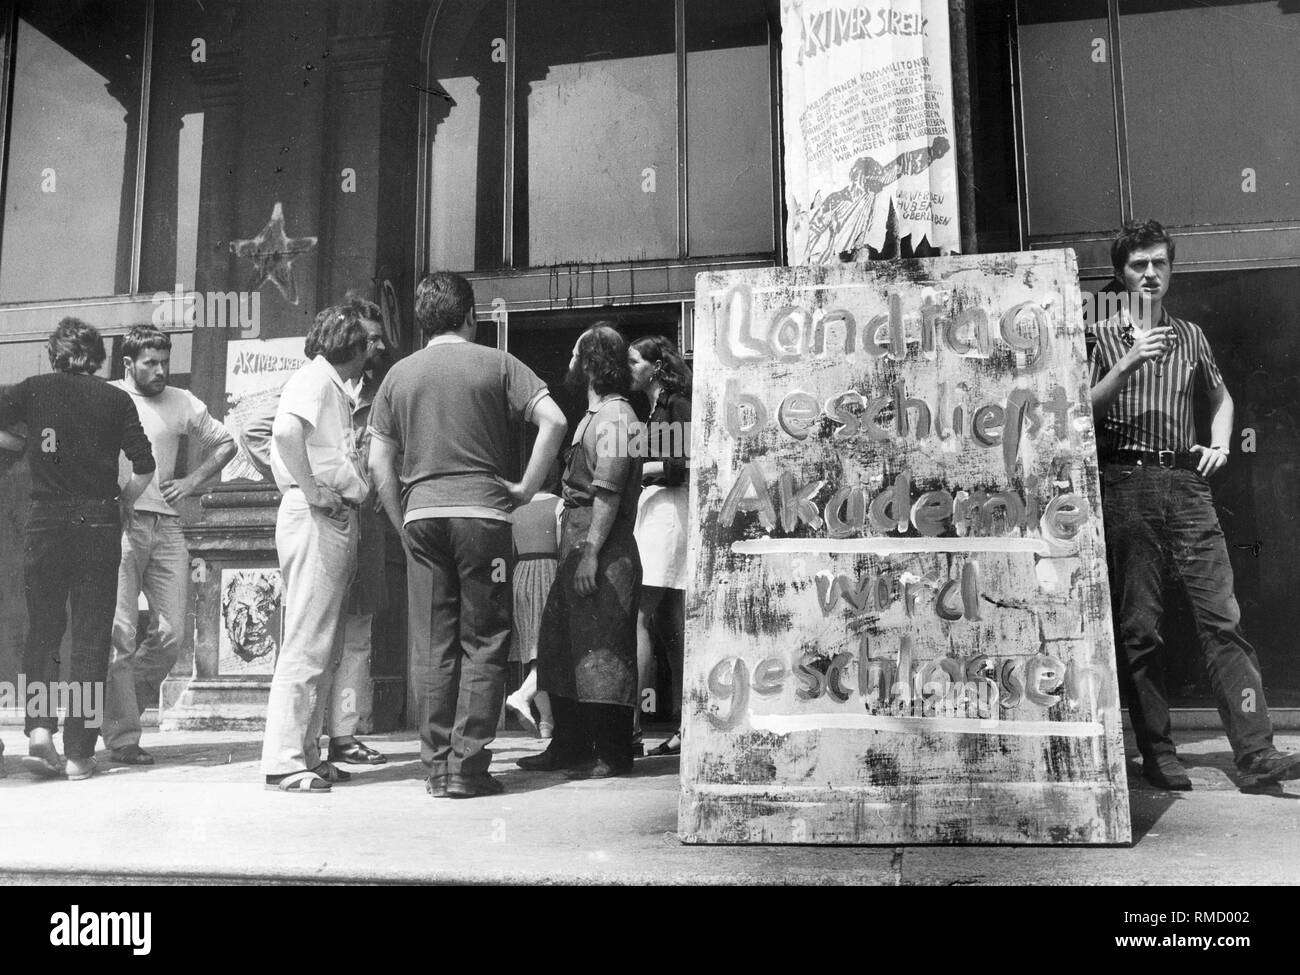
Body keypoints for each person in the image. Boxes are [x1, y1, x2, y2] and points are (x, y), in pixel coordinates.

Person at [1089, 219, 1300, 792]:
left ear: (1172, 269)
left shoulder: (1191, 335)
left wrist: (1220, 443)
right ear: (1119, 274)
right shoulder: (1098, 335)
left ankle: (1256, 752)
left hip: (1185, 483)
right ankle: (1158, 752)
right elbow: (1078, 411)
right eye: (1139, 265)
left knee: (1223, 618)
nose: (1151, 273)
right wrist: (1129, 360)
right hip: (1125, 480)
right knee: (1140, 628)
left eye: (1160, 263)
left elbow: (1222, 395)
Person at [368, 272, 567, 799]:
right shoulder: (498, 364)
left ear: (422, 320)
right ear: (469, 316)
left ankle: (435, 769)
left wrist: (401, 519)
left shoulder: (398, 376)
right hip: (483, 519)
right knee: (485, 640)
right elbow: (555, 420)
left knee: (432, 644)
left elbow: (378, 461)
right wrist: (525, 488)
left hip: (422, 519)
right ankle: (467, 769)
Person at [0, 319, 155, 780]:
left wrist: (20, 448)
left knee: (43, 632)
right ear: (99, 356)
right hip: (98, 524)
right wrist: (123, 504)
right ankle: (78, 754)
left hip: (45, 523)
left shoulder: (32, 390)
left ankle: (38, 730)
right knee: (90, 640)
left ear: (53, 353)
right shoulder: (116, 398)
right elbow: (144, 466)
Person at [240, 299, 391, 766]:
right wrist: (311, 490)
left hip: (333, 513)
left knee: (322, 644)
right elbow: (284, 433)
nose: (373, 349)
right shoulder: (313, 378)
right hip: (317, 516)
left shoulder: (328, 382)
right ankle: (284, 761)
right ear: (350, 342)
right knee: (307, 641)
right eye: (367, 341)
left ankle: (306, 755)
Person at [104, 326, 237, 765]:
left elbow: (225, 442)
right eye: (150, 363)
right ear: (128, 364)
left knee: (172, 633)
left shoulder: (181, 400)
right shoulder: (107, 397)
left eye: (165, 362)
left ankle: (117, 711)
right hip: (120, 523)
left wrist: (192, 481)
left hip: (168, 526)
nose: (160, 371)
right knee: (120, 634)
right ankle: (123, 737)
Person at [518, 325, 643, 779]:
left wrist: (591, 552)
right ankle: (567, 746)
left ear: (590, 363)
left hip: (602, 555)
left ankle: (612, 753)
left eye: (575, 354)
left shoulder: (616, 418)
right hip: (578, 550)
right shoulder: (596, 416)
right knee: (560, 647)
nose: (568, 362)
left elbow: (607, 493)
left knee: (604, 654)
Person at [627, 335, 692, 758]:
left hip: (669, 513)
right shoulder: (656, 406)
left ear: (656, 364)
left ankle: (629, 727)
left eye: (634, 361)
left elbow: (680, 465)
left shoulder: (675, 403)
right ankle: (685, 727)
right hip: (659, 513)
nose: (629, 368)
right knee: (670, 627)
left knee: (640, 615)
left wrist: (637, 468)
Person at [504, 464, 562, 739]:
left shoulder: (514, 509)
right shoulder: (560, 505)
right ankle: (523, 697)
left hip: (522, 576)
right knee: (554, 650)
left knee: (533, 651)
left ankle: (546, 722)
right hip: (550, 573)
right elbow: (563, 545)